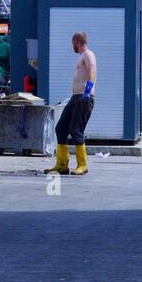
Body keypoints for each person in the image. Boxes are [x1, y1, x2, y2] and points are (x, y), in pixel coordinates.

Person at [47, 31, 98, 176]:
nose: (72, 46)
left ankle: (83, 165)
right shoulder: (82, 56)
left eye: (72, 43)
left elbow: (92, 71)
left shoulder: (88, 54)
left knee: (76, 130)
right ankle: (62, 165)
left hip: (84, 98)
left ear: (76, 41)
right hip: (75, 98)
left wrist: (87, 92)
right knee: (61, 128)